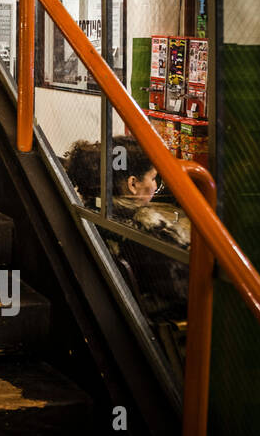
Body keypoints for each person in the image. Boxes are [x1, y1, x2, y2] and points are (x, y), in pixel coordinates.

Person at [63, 136, 189, 319]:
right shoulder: (148, 232)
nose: (155, 186)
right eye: (154, 178)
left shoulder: (89, 214)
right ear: (133, 184)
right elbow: (187, 288)